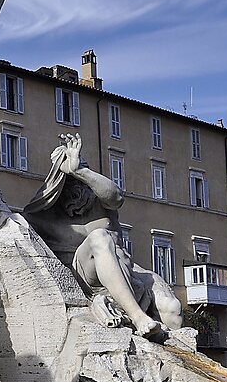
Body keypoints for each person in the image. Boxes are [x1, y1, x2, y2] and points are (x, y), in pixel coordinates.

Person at [22, 134, 182, 337]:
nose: (76, 187)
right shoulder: (44, 216)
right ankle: (138, 317)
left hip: (127, 271)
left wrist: (79, 170)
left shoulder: (102, 202)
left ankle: (171, 345)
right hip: (87, 278)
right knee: (100, 237)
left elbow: (116, 196)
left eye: (80, 181)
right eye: (69, 181)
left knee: (172, 308)